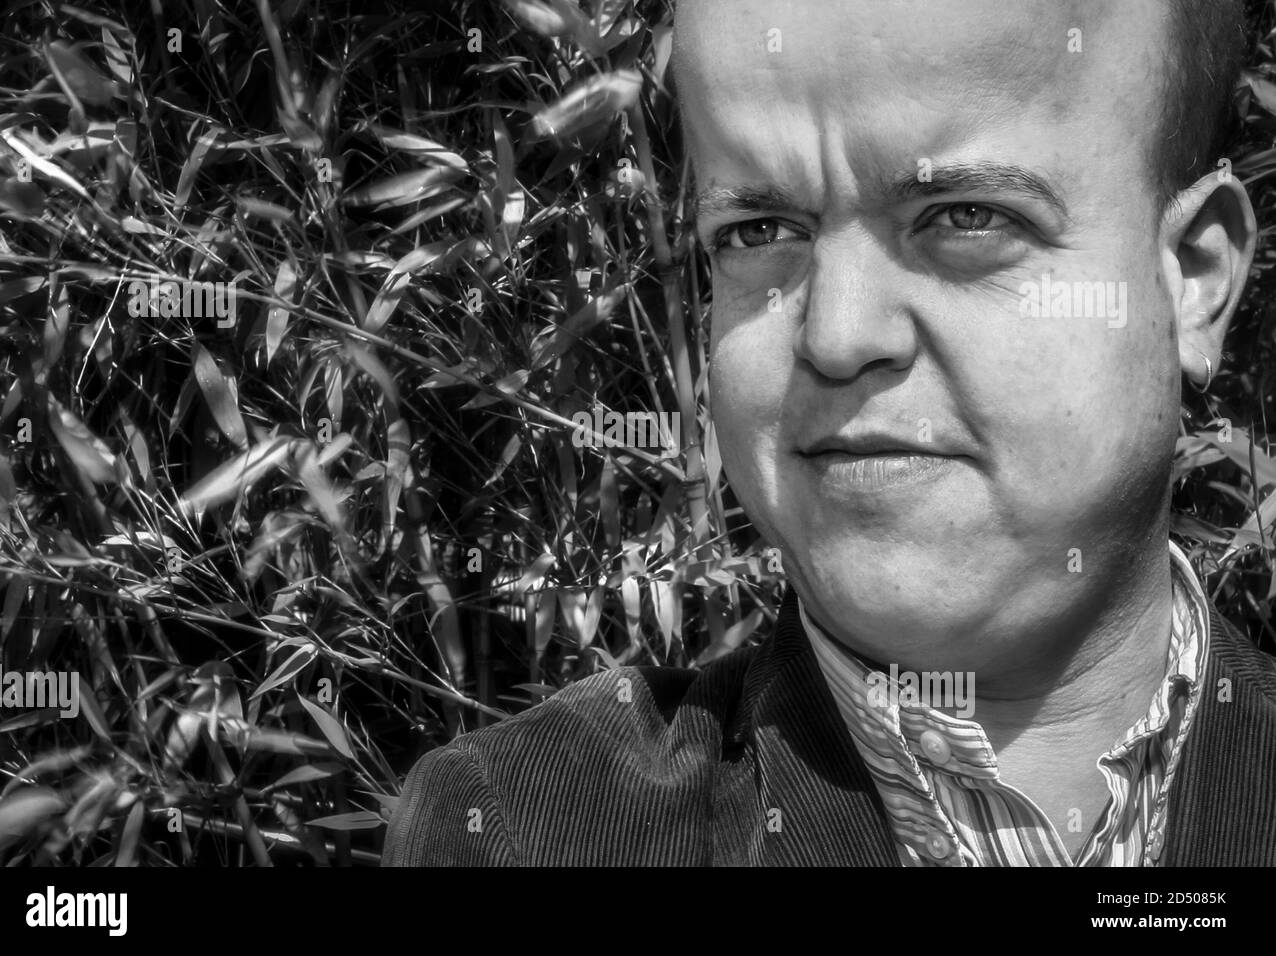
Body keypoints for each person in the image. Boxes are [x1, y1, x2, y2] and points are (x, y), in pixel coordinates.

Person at [382, 0, 1276, 866]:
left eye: (965, 217)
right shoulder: (531, 832)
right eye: (758, 230)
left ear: (1193, 277)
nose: (837, 336)